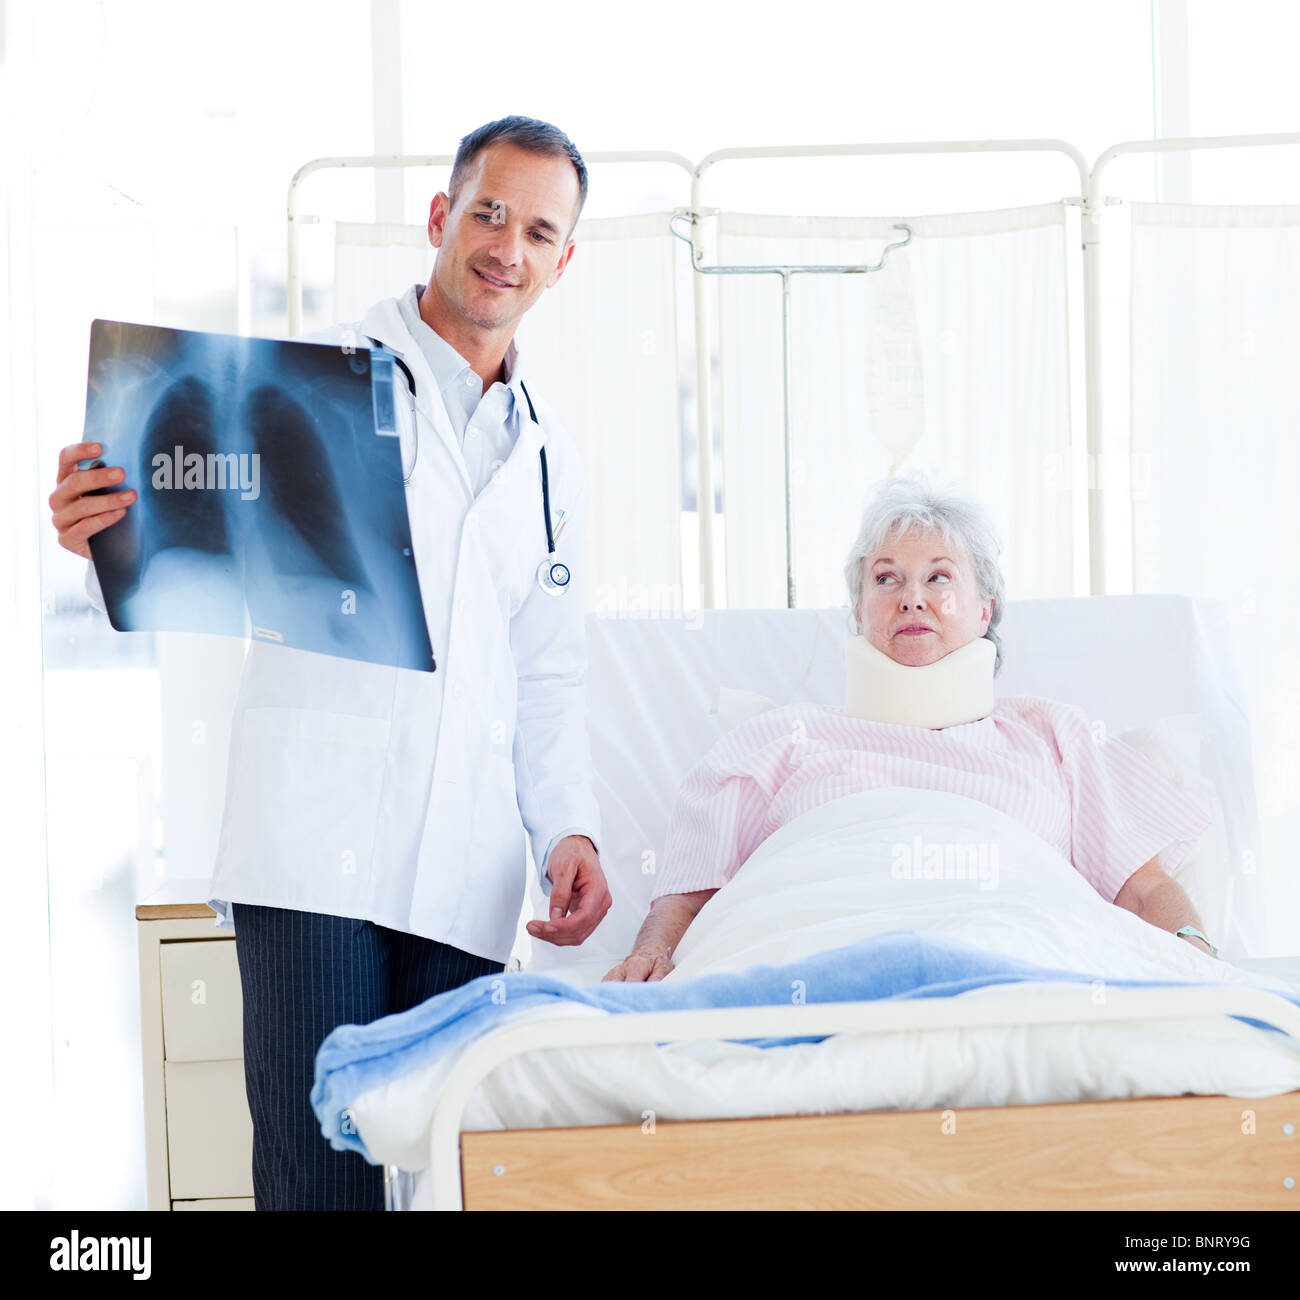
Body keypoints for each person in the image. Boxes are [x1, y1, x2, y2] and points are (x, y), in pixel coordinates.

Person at [49, 115, 613, 1209]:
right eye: (489, 212)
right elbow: (189, 541)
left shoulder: (552, 463)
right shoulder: (310, 385)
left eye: (539, 230)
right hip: (314, 855)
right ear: (442, 218)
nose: (508, 246)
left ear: (563, 260)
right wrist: (101, 537)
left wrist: (569, 828)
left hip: (465, 868)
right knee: (316, 1181)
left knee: (451, 1179)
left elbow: (549, 672)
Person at [604, 472, 1217, 982]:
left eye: (940, 576)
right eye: (886, 578)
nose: (911, 598)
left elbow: (1142, 890)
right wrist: (652, 955)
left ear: (986, 608)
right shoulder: (776, 742)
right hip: (818, 952)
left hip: (1020, 952)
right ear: (858, 609)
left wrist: (1200, 959)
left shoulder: (1056, 737)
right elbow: (686, 899)